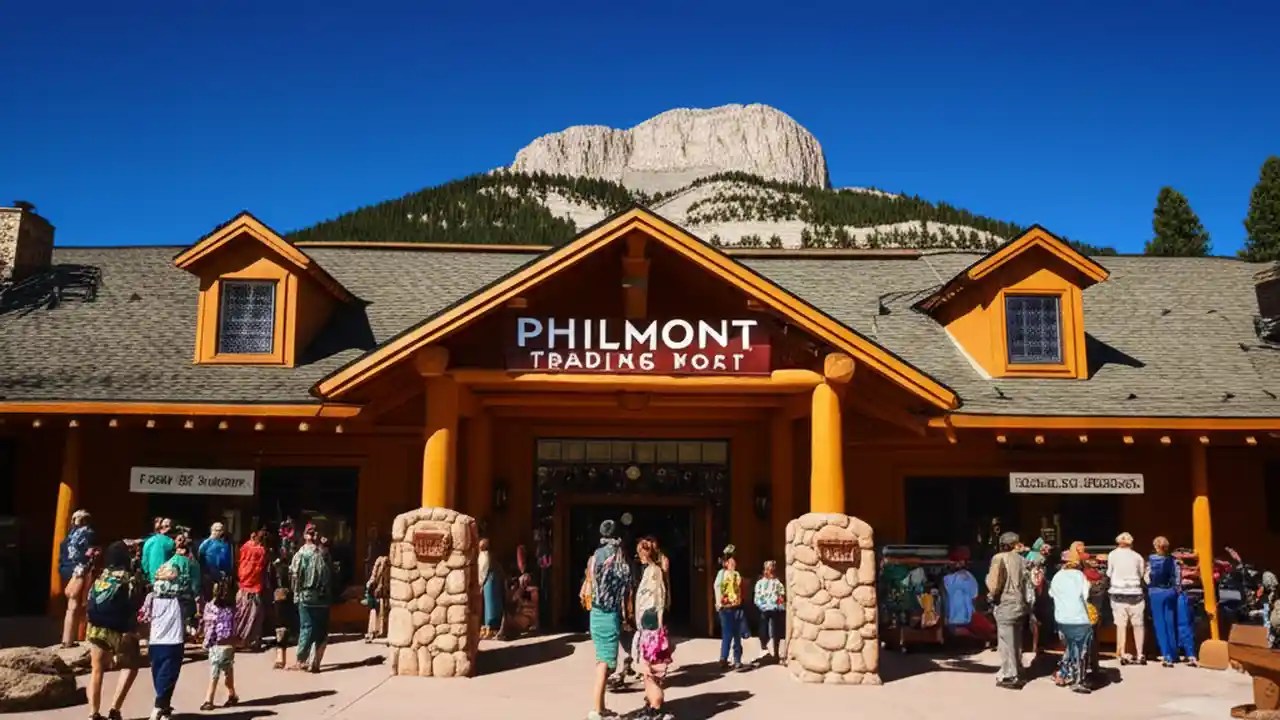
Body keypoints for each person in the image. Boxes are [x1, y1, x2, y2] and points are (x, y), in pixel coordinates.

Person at [86, 541, 142, 720]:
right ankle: (115, 709)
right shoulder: (129, 578)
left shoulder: (102, 576)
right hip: (120, 629)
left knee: (97, 669)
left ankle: (93, 713)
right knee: (130, 666)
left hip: (96, 627)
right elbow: (135, 604)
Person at [581, 519, 631, 720]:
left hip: (596, 612)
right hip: (610, 614)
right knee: (606, 664)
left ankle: (600, 707)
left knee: (603, 660)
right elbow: (626, 584)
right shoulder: (619, 557)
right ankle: (596, 710)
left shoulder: (594, 558)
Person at [142, 562, 187, 720]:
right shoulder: (180, 597)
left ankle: (165, 709)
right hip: (174, 640)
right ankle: (159, 706)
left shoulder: (150, 597)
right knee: (169, 676)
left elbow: (143, 617)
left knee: (159, 675)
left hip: (155, 640)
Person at [634, 537, 672, 720]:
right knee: (646, 668)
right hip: (646, 624)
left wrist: (654, 624)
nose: (640, 556)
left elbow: (657, 599)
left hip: (652, 625)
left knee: (652, 668)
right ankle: (650, 702)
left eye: (642, 552)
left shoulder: (655, 572)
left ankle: (656, 706)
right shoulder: (649, 571)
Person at [985, 531, 1029, 689]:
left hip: (1006, 603)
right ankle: (1018, 668)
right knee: (1016, 640)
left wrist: (990, 593)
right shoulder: (1022, 560)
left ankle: (1011, 675)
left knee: (1005, 641)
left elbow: (994, 583)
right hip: (1020, 604)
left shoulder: (999, 558)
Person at [1049, 548, 1093, 694]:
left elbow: (1051, 593)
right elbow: (1086, 595)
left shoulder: (1057, 576)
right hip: (1079, 616)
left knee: (1070, 647)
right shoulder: (1080, 576)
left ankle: (1062, 673)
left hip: (1062, 617)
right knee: (1079, 650)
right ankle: (1077, 680)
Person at [290, 525, 333, 673]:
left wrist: (296, 595)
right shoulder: (323, 553)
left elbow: (294, 577)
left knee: (306, 627)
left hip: (305, 596)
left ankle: (301, 660)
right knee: (321, 629)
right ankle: (316, 662)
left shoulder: (299, 555)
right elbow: (329, 575)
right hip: (322, 598)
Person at [1107, 532, 1148, 666]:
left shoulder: (1112, 555)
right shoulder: (1137, 556)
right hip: (1135, 592)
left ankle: (1122, 652)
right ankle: (1140, 653)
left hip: (1118, 593)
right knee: (1138, 624)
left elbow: (1109, 572)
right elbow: (1142, 574)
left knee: (1121, 625)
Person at [58, 508, 97, 647]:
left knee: (71, 605)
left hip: (67, 570)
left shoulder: (68, 536)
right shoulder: (88, 534)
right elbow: (89, 554)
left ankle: (67, 638)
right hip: (80, 571)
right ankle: (79, 638)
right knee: (81, 604)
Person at [200, 578, 240, 710]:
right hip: (229, 644)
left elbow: (209, 628)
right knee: (228, 670)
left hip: (216, 643)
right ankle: (232, 694)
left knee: (215, 671)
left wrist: (206, 642)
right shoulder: (232, 608)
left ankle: (209, 699)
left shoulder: (211, 608)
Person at [1148, 536, 1181, 667]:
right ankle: (1174, 653)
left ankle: (1166, 654)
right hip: (1170, 592)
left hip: (1156, 592)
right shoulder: (1173, 560)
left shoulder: (1151, 560)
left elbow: (1147, 577)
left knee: (1160, 623)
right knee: (1170, 622)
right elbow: (1177, 578)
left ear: (1156, 546)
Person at [235, 528, 269, 650]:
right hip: (254, 586)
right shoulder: (261, 551)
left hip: (243, 584)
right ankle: (250, 640)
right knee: (253, 616)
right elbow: (262, 568)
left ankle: (238, 638)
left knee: (240, 613)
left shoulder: (245, 547)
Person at [713, 552, 746, 670]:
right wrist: (719, 603)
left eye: (734, 562)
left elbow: (740, 589)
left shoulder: (737, 575)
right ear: (725, 563)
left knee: (737, 633)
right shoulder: (721, 574)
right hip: (725, 607)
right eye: (731, 562)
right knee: (727, 632)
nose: (733, 564)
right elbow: (717, 588)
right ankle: (723, 658)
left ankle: (737, 659)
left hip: (736, 606)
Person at [167, 531, 201, 630]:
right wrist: (196, 593)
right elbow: (196, 580)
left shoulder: (170, 561)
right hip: (185, 593)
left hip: (174, 593)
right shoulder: (191, 562)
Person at [753, 560, 785, 663]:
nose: (769, 571)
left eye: (771, 569)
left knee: (775, 631)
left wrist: (779, 603)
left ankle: (775, 653)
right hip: (764, 608)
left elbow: (781, 595)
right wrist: (761, 605)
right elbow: (757, 596)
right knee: (763, 629)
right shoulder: (760, 583)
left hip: (775, 608)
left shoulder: (777, 583)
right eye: (767, 569)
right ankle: (764, 646)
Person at [364, 540, 390, 643]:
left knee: (375, 611)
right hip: (386, 591)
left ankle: (374, 631)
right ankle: (383, 630)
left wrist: (369, 585)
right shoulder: (390, 560)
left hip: (378, 590)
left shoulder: (379, 560)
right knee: (384, 611)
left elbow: (374, 575)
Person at [197, 522, 235, 592]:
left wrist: (229, 573)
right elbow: (200, 558)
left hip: (223, 575)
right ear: (212, 530)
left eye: (221, 530)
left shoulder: (225, 544)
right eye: (218, 530)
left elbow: (228, 559)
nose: (220, 532)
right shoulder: (206, 543)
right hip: (209, 575)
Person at [478, 538, 502, 640]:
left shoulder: (484, 556)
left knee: (489, 606)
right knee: (489, 605)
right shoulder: (487, 555)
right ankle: (487, 627)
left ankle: (490, 628)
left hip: (488, 582)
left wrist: (480, 583)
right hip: (490, 581)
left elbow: (483, 570)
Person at [141, 518, 176, 583]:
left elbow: (144, 563)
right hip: (168, 581)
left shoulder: (148, 542)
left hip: (153, 579)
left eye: (167, 526)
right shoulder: (171, 542)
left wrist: (149, 576)